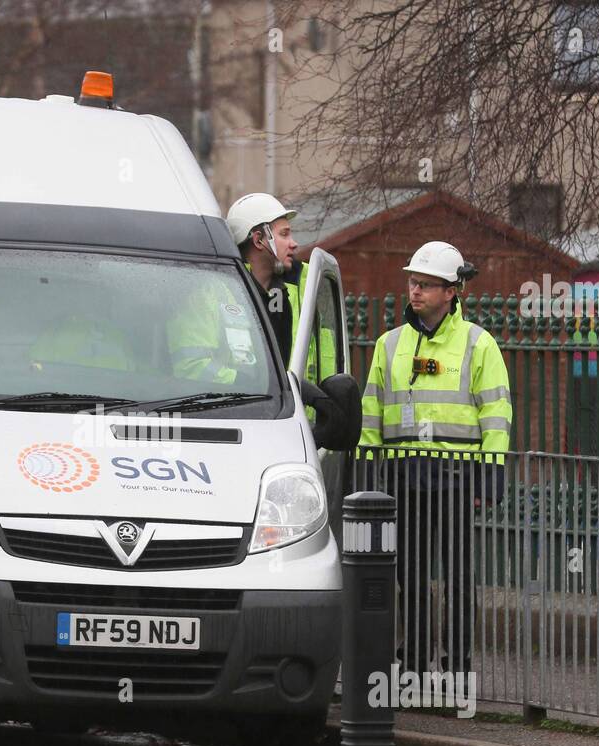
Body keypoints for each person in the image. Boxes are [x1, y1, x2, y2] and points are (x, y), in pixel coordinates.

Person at [358, 241, 511, 673]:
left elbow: (496, 413)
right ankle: (417, 656)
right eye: (413, 282)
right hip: (405, 474)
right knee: (410, 573)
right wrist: (369, 465)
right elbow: (372, 407)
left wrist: (491, 474)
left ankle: (458, 661)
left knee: (459, 576)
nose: (416, 291)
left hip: (458, 475)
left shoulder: (478, 344)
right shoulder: (389, 345)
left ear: (451, 292)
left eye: (426, 284)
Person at [167, 192, 336, 387]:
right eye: (284, 234)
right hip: (238, 414)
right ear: (258, 240)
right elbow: (190, 365)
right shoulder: (209, 293)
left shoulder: (297, 289)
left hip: (293, 415)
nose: (294, 243)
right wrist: (252, 386)